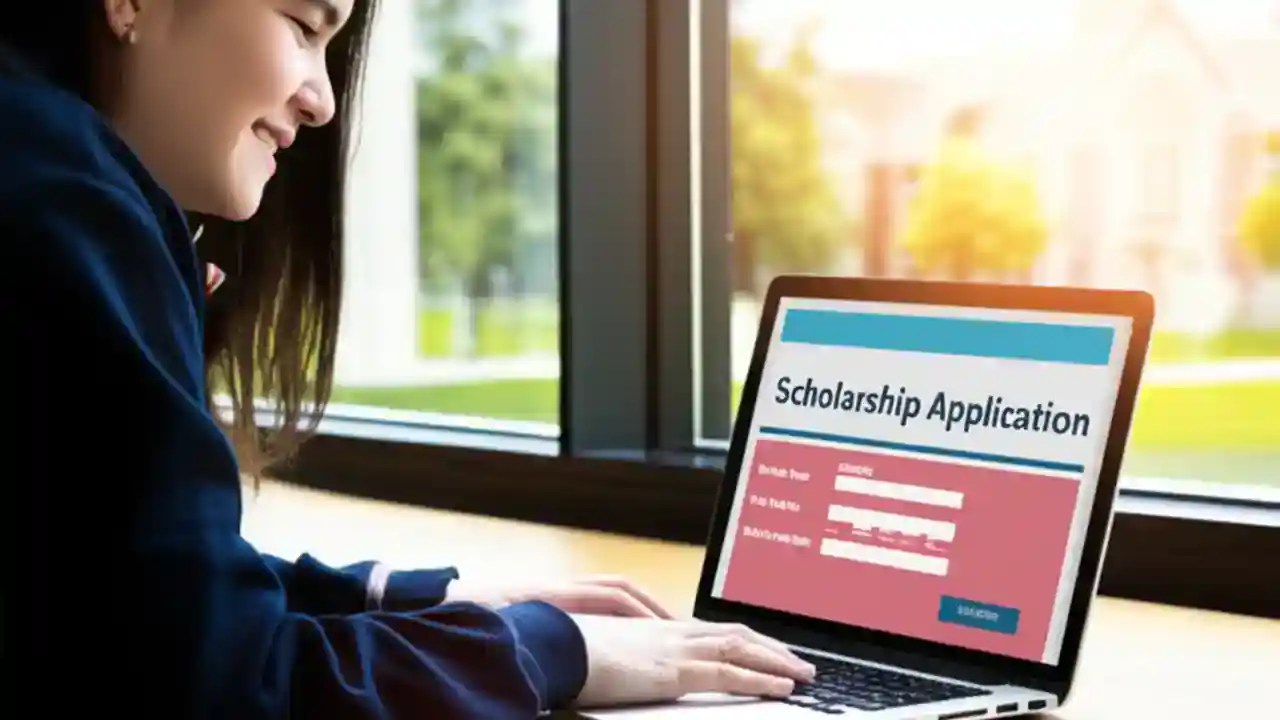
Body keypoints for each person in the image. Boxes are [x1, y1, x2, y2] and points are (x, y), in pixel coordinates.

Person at [2, 1, 815, 717]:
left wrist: (429, 601)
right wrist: (558, 651)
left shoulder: (36, 151)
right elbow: (228, 683)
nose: (319, 100)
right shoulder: (65, 194)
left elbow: (135, 595)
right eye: (302, 25)